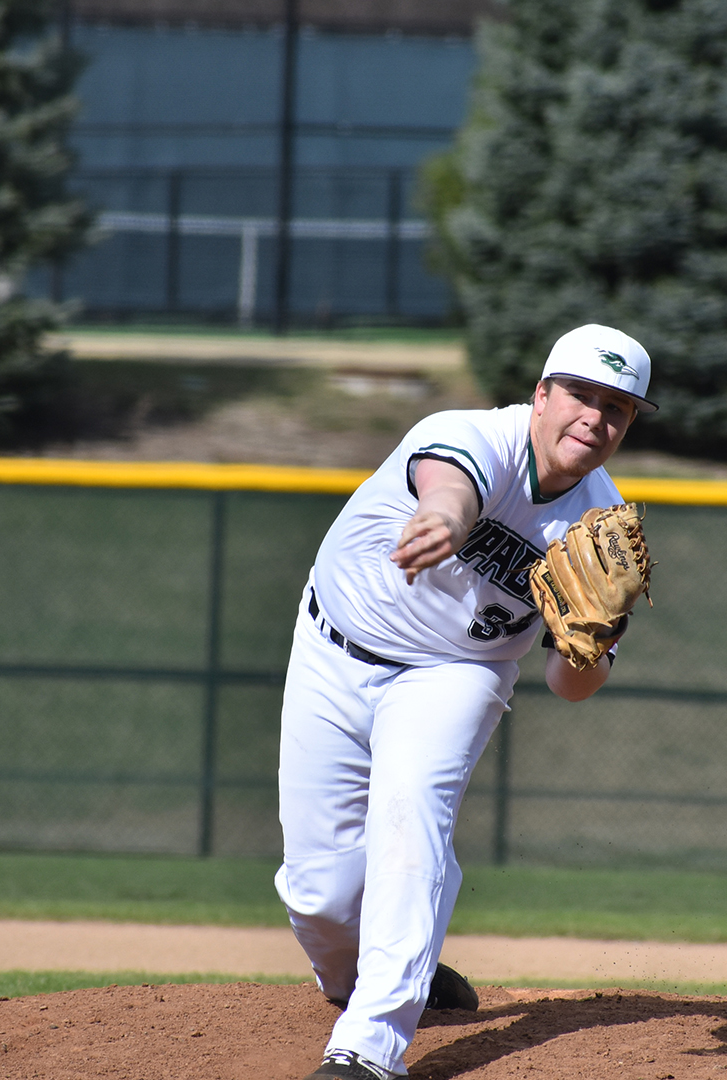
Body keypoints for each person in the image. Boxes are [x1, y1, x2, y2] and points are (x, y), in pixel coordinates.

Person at [275, 324, 657, 1080]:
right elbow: (448, 487)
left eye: (618, 408)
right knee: (318, 893)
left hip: (458, 672)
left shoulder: (600, 525)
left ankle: (369, 1050)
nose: (595, 418)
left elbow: (569, 686)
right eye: (582, 394)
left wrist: (593, 643)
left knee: (410, 820)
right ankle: (357, 976)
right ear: (542, 395)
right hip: (332, 646)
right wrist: (446, 521)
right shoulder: (467, 435)